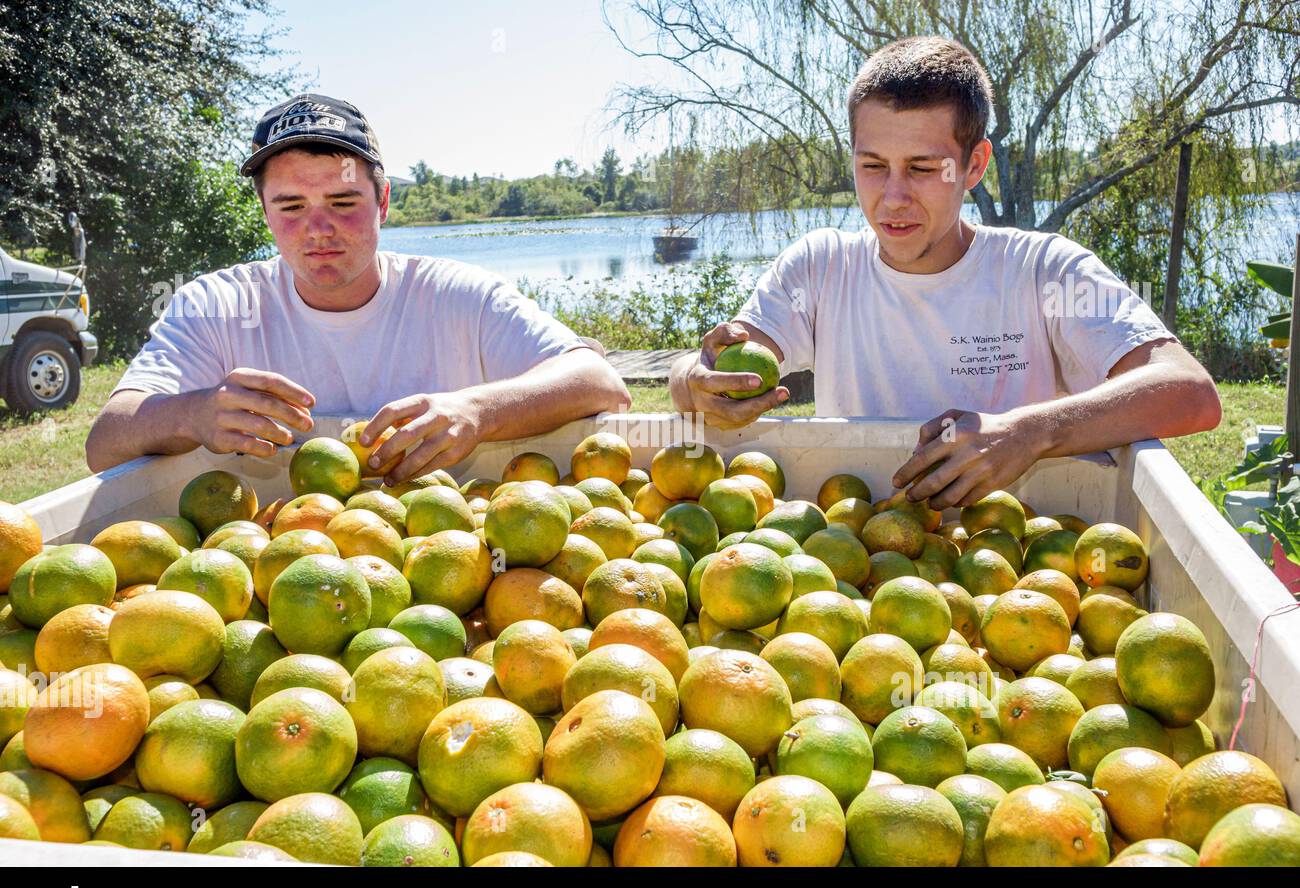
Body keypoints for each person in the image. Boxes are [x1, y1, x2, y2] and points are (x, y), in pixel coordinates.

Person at [669, 37, 1221, 509]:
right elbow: (714, 369)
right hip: (861, 559)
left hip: (1017, 562)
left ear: (974, 166)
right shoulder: (818, 267)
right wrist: (694, 383)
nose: (893, 198)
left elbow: (1189, 393)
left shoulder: (1044, 269)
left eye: (923, 168)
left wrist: (1028, 431)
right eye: (873, 166)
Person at [85, 94, 629, 484]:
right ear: (265, 213)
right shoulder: (217, 304)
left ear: (383, 201)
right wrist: (193, 413)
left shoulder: (456, 294)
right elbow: (105, 442)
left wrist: (477, 410)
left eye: (343, 204)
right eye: (291, 207)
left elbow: (599, 382)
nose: (318, 230)